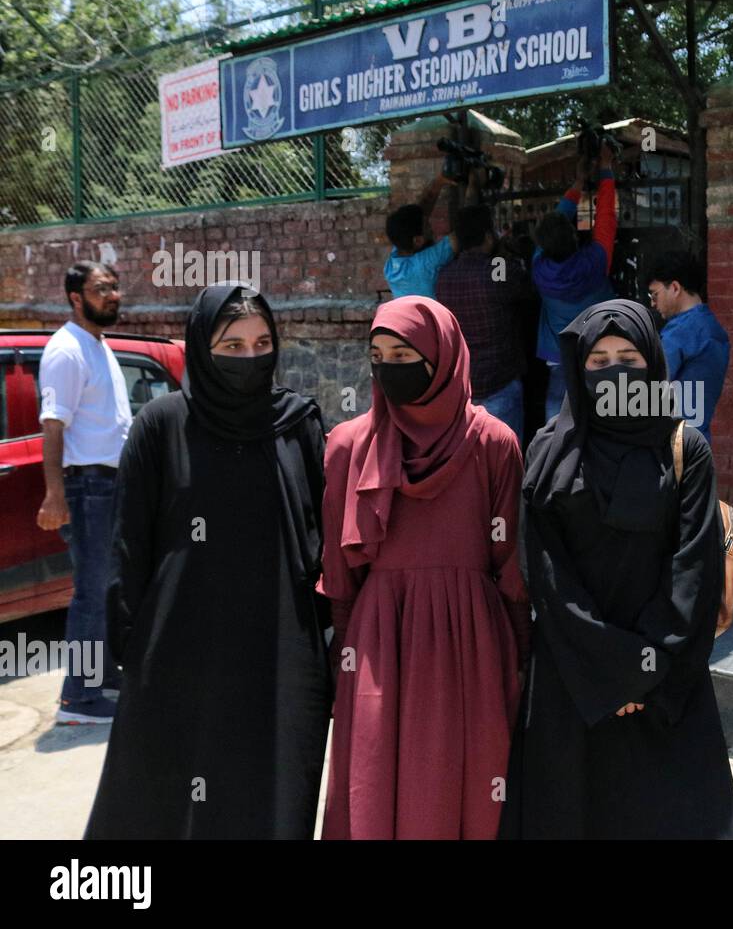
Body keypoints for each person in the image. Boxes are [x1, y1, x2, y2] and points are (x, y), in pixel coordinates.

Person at [84, 284, 331, 838]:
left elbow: (327, 543)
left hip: (280, 656)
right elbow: (128, 548)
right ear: (201, 347)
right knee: (171, 805)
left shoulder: (298, 425)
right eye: (232, 346)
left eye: (262, 343)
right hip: (181, 654)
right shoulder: (163, 424)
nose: (250, 358)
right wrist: (130, 653)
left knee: (273, 799)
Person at [500, 299, 733, 839]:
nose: (612, 370)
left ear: (653, 364)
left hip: (666, 686)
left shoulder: (685, 449)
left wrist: (644, 667)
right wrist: (610, 673)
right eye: (598, 359)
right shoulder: (547, 452)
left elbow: (692, 571)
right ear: (579, 369)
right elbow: (547, 577)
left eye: (627, 356)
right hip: (575, 686)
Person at [320, 296, 529, 840]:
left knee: (465, 786)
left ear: (444, 355)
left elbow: (510, 567)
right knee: (375, 781)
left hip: (472, 646)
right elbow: (340, 575)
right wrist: (346, 659)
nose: (390, 368)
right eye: (378, 355)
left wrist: (519, 657)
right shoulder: (347, 445)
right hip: (378, 645)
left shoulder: (494, 444)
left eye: (405, 353)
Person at [37, 261, 131, 725]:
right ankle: (78, 699)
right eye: (102, 289)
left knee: (109, 588)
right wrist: (55, 495)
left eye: (114, 287)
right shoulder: (66, 350)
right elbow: (53, 427)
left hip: (110, 483)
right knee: (91, 595)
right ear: (76, 297)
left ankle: (103, 677)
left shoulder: (98, 343)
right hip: (87, 486)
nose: (113, 295)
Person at [435, 193, 533, 441]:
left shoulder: (444, 277)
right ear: (489, 236)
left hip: (464, 387)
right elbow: (524, 287)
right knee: (508, 463)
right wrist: (503, 252)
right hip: (500, 383)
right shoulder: (497, 272)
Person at [532, 144, 618, 420]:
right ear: (573, 236)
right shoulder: (596, 262)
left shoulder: (539, 268)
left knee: (556, 419)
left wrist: (578, 182)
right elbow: (606, 217)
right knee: (600, 418)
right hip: (598, 352)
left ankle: (555, 458)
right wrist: (605, 171)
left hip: (560, 357)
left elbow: (554, 225)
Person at [647, 250, 730, 442]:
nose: (652, 303)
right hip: (698, 440)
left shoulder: (681, 332)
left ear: (675, 288)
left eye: (655, 294)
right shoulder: (712, 327)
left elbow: (649, 387)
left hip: (672, 445)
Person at [383, 170, 458, 299]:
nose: (432, 229)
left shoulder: (392, 265)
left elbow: (419, 212)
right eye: (428, 227)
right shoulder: (425, 264)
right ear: (418, 241)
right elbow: (464, 231)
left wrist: (439, 182)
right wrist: (473, 186)